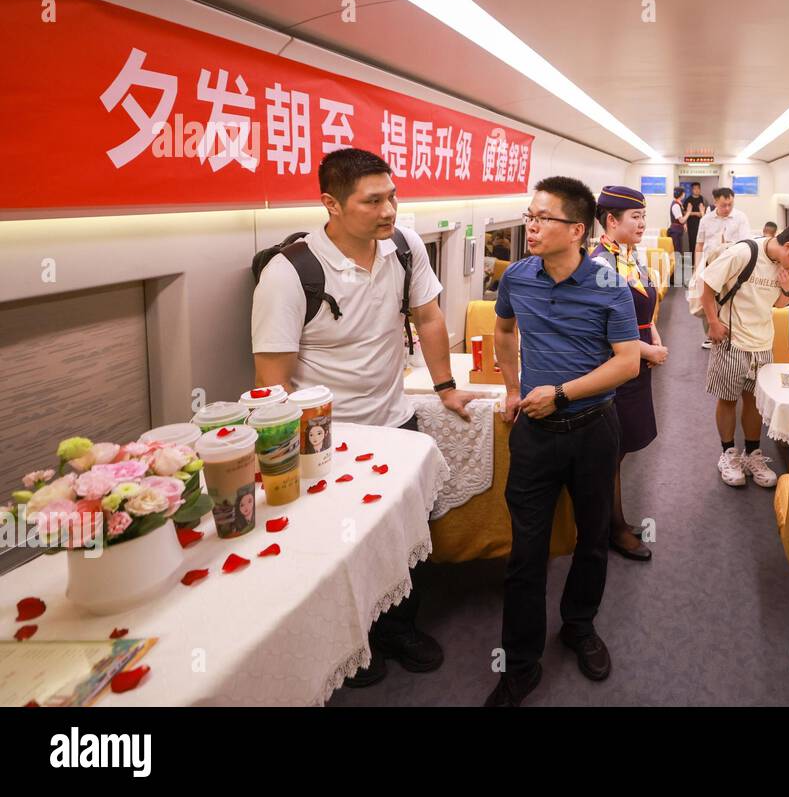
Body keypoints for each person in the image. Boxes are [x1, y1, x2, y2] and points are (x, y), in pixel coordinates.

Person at [251, 147, 472, 689]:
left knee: (407, 531)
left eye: (392, 195)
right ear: (331, 203)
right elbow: (271, 376)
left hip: (396, 422)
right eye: (373, 201)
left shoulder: (403, 245)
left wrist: (444, 386)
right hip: (326, 437)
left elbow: (428, 315)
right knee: (337, 548)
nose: (389, 210)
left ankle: (399, 628)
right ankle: (351, 645)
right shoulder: (289, 273)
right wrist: (279, 458)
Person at [485, 176, 642, 706]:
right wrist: (513, 387)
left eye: (543, 218)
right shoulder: (517, 277)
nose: (530, 225)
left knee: (592, 538)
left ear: (576, 229)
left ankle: (578, 626)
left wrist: (563, 393)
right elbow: (502, 332)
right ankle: (521, 664)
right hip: (534, 434)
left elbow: (627, 360)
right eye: (529, 215)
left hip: (594, 430)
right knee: (525, 554)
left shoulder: (608, 284)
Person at [700, 222, 789, 487]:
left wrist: (787, 288)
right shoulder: (744, 253)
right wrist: (713, 322)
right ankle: (728, 453)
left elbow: (778, 305)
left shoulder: (785, 267)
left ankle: (752, 454)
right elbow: (708, 286)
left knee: (754, 401)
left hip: (763, 343)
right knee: (727, 399)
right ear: (788, 246)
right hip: (732, 340)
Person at [591, 186, 667, 561]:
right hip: (616, 366)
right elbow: (602, 328)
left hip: (635, 360)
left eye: (643, 217)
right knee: (611, 451)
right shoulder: (601, 264)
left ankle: (610, 521)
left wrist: (652, 333)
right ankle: (613, 529)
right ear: (611, 220)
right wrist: (647, 350)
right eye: (634, 217)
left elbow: (640, 305)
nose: (642, 224)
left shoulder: (628, 258)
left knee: (619, 449)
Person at [694, 187, 753, 348]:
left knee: (729, 299)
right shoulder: (706, 220)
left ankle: (731, 334)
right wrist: (695, 268)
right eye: (723, 205)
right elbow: (699, 245)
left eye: (730, 205)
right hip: (709, 264)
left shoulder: (740, 218)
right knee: (706, 299)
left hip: (732, 266)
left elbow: (746, 243)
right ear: (715, 203)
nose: (727, 208)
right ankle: (710, 334)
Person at [682, 182, 708, 269]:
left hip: (702, 226)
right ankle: (693, 263)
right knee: (692, 243)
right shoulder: (688, 200)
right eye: (695, 188)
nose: (696, 190)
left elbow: (706, 212)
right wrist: (696, 213)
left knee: (702, 243)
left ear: (700, 189)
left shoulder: (703, 199)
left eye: (698, 188)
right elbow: (685, 212)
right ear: (692, 190)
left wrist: (700, 213)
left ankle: (701, 262)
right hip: (691, 225)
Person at [668, 187, 688, 278]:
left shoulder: (679, 204)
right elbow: (681, 220)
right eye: (684, 193)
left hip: (677, 232)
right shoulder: (676, 205)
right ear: (682, 194)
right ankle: (675, 277)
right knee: (677, 253)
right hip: (675, 232)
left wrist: (684, 225)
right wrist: (689, 212)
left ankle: (677, 275)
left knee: (678, 252)